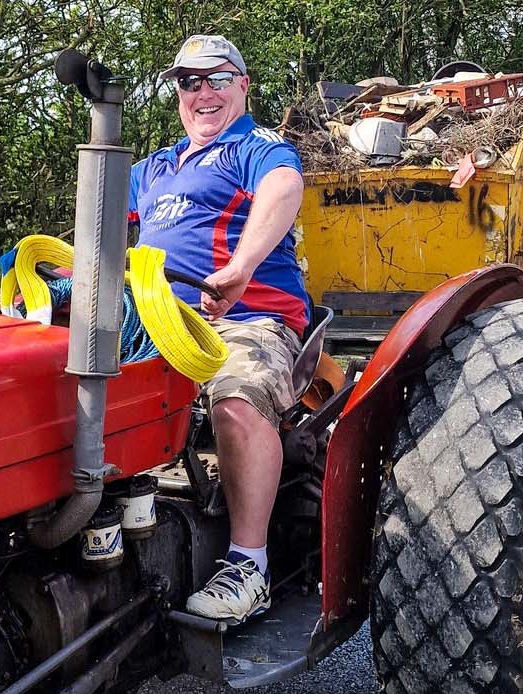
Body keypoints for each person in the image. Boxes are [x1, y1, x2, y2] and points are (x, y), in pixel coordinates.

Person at [128, 34, 308, 622]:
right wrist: (29, 279)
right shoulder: (153, 167)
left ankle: (248, 564)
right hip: (153, 321)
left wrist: (240, 266)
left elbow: (284, 188)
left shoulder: (256, 148)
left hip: (243, 318)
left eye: (216, 79)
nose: (202, 93)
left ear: (243, 85)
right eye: (188, 82)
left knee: (237, 393)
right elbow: (98, 229)